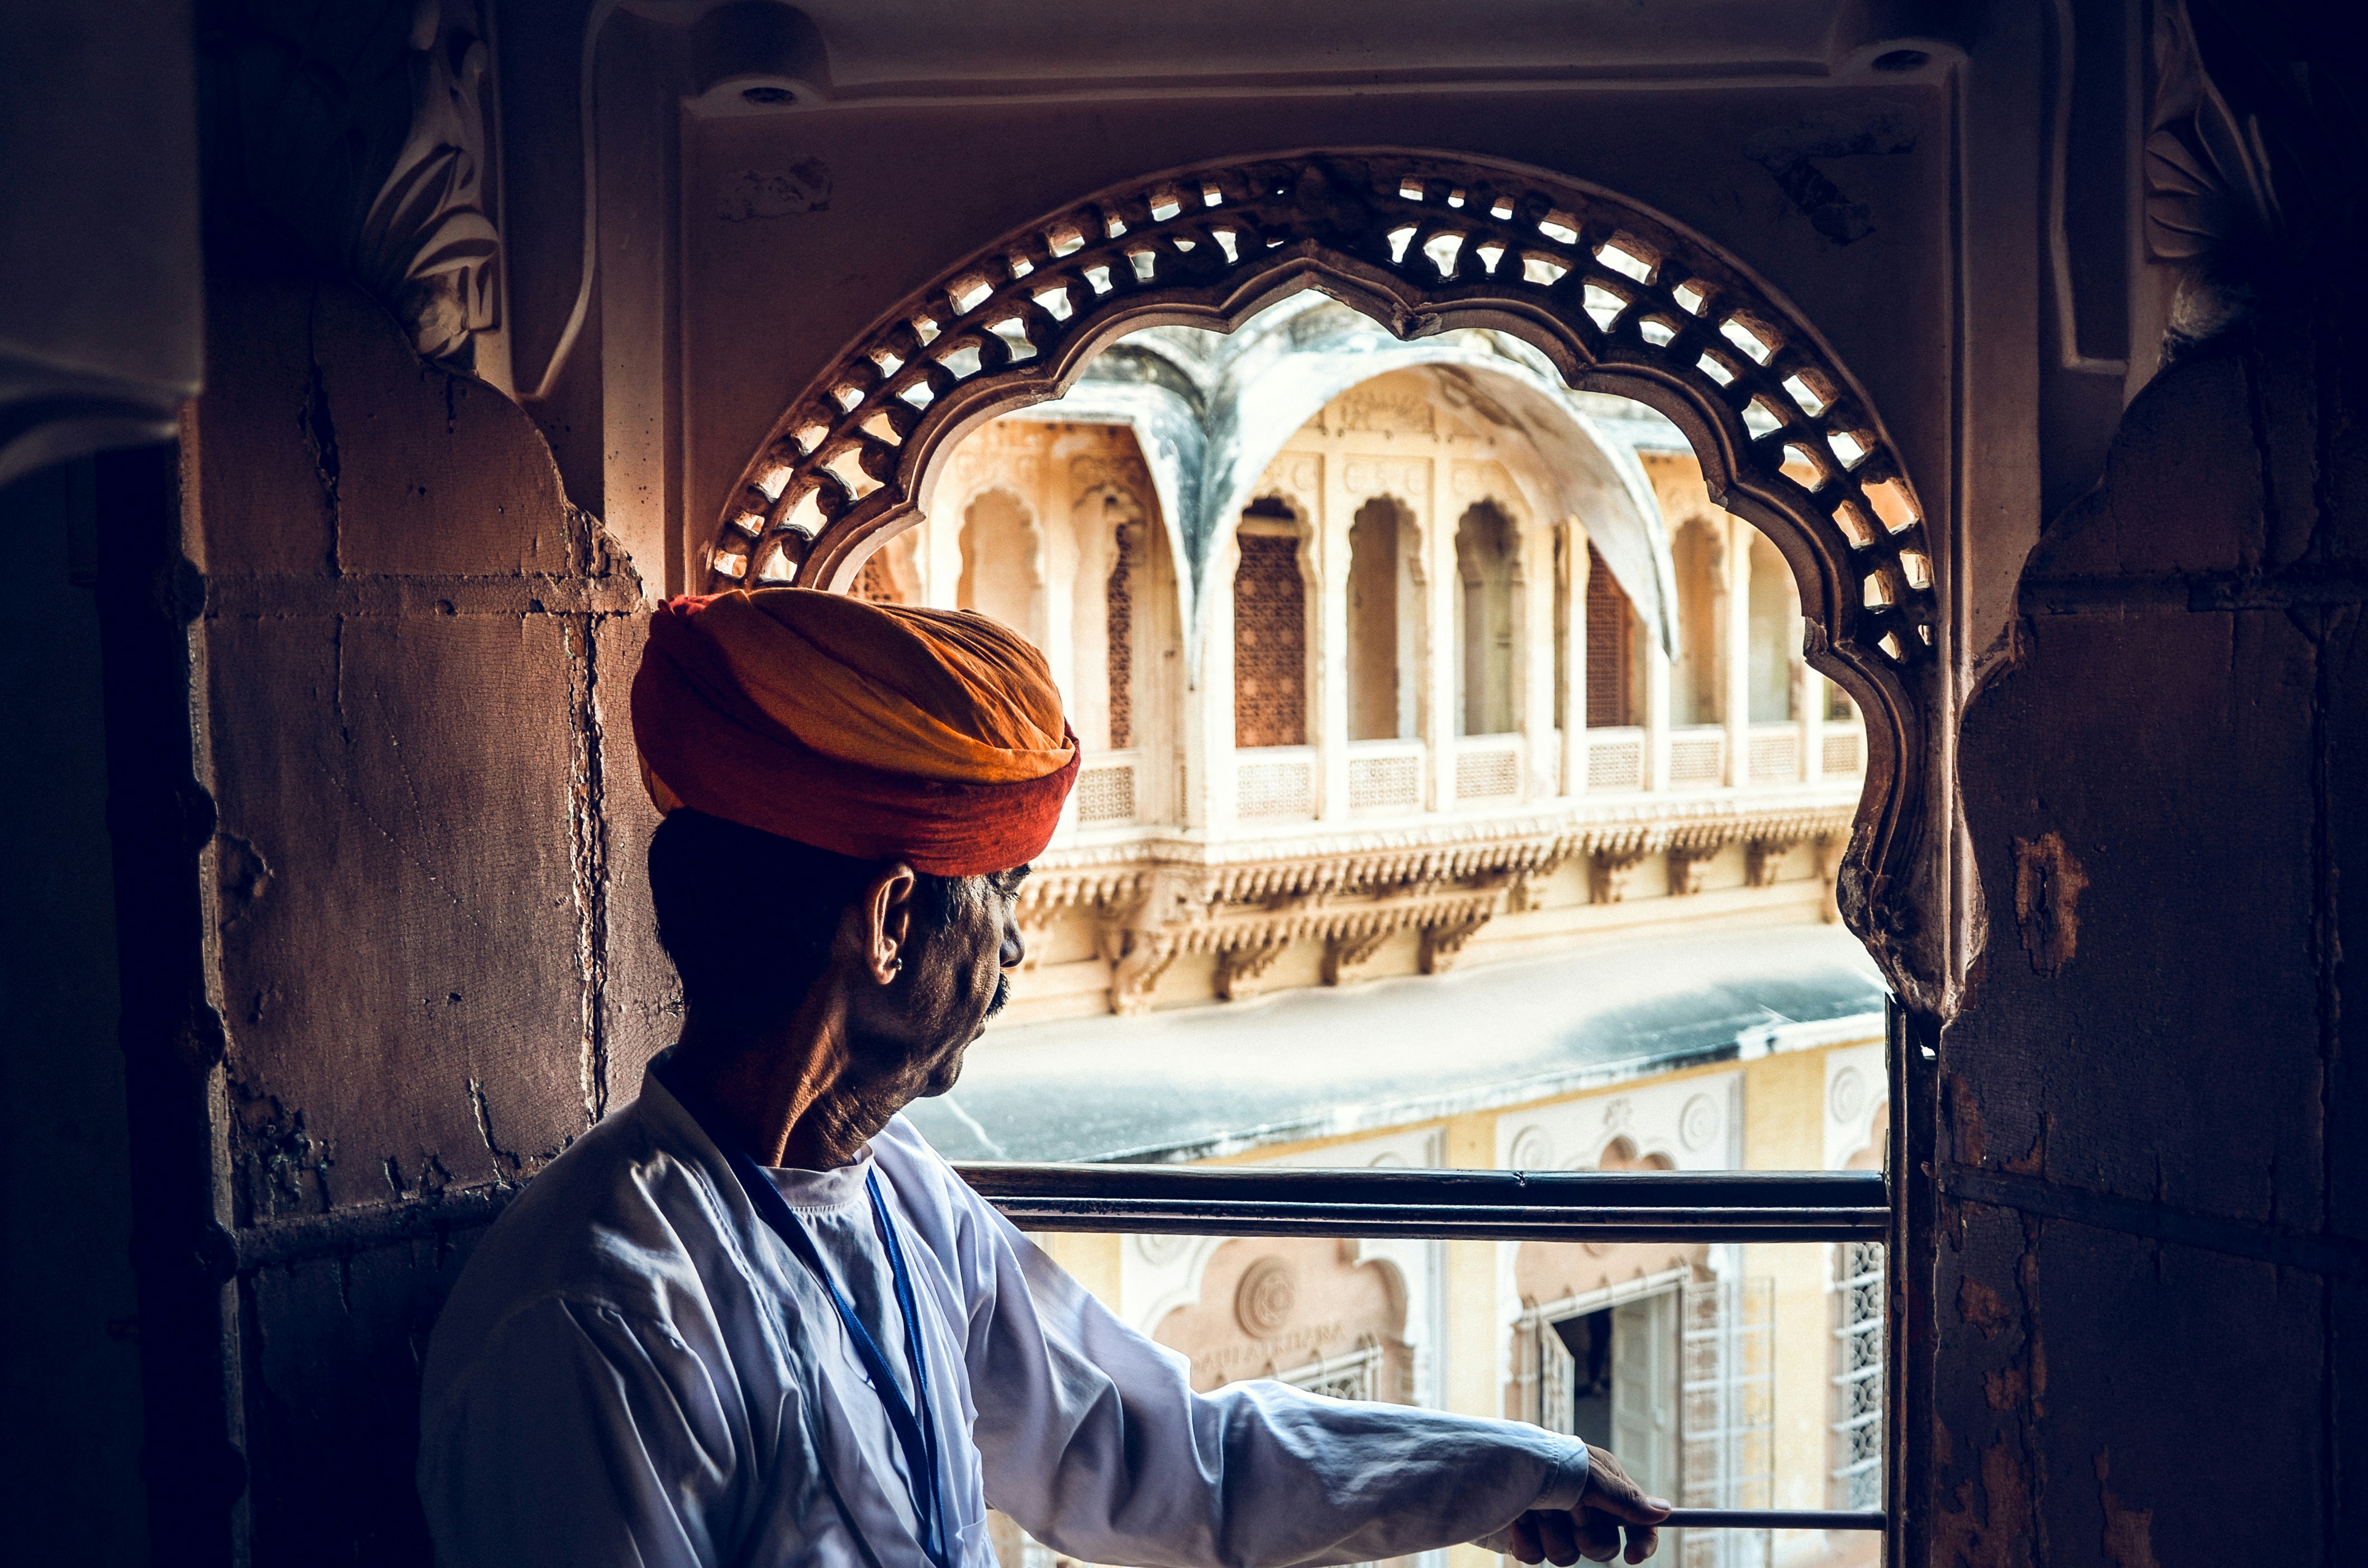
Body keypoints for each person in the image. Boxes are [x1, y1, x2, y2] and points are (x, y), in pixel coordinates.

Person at [417, 587, 1671, 1568]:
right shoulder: (601, 1316)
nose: (1018, 945)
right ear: (893, 917)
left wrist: (1509, 1471)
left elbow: (1162, 1455)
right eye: (1005, 894)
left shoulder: (900, 1196)